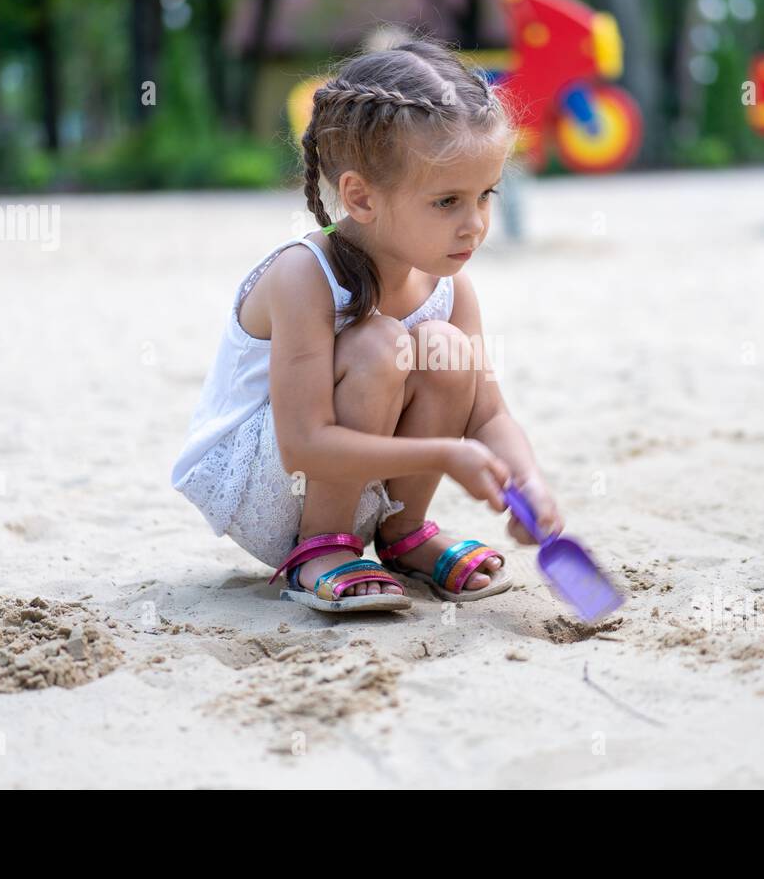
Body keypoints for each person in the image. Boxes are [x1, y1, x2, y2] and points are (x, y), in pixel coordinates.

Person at [170, 37, 564, 613]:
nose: (475, 224)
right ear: (360, 197)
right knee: (381, 343)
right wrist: (443, 456)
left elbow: (487, 414)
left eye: (486, 196)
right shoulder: (305, 274)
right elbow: (303, 445)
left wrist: (528, 482)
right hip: (272, 483)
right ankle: (320, 549)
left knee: (442, 347)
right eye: (446, 201)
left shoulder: (449, 288)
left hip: (366, 476)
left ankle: (404, 537)